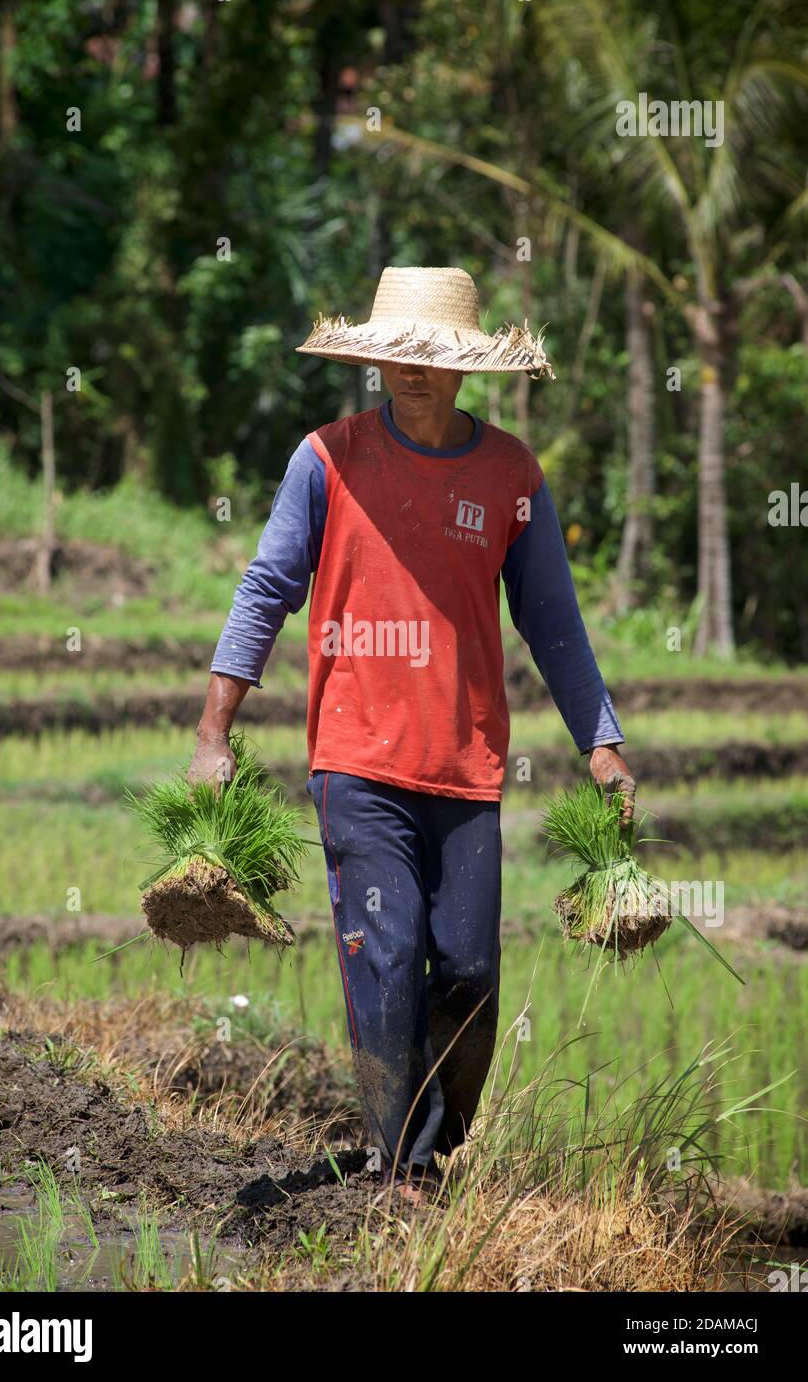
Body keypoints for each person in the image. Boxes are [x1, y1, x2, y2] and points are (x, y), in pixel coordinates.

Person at [189, 267, 635, 1202]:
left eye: (427, 360)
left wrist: (600, 739)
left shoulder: (510, 474)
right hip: (355, 762)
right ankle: (400, 1169)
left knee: (467, 973)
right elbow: (267, 586)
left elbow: (550, 618)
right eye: (393, 357)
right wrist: (213, 729)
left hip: (466, 767)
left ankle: (430, 1143)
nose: (408, 374)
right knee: (385, 958)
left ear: (465, 368)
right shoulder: (326, 458)